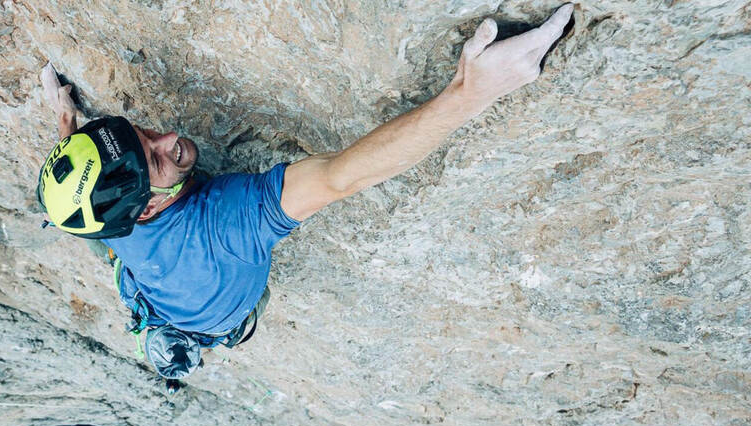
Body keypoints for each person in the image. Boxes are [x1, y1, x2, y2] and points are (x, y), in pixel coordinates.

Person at [37, 4, 573, 345]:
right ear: (149, 208)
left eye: (141, 133)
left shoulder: (110, 217)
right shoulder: (226, 228)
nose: (168, 138)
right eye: (155, 159)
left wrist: (68, 124)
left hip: (143, 273)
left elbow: (85, 191)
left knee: (112, 258)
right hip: (213, 320)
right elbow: (340, 178)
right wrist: (470, 92)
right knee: (164, 306)